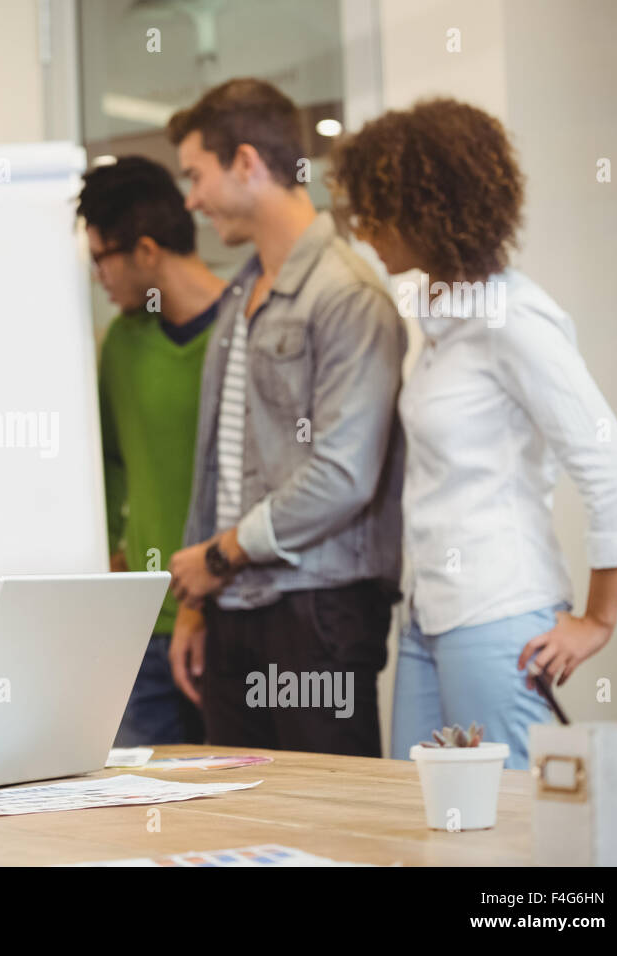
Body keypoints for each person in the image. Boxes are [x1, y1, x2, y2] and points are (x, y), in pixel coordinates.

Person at [329, 98, 617, 768]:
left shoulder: (514, 320)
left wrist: (597, 622)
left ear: (426, 205)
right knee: (425, 826)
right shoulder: (447, 321)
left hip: (498, 612)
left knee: (511, 834)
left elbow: (613, 470)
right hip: (429, 614)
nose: (363, 228)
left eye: (377, 208)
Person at [164, 78, 407, 758]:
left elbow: (343, 474)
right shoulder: (241, 290)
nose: (191, 199)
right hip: (232, 606)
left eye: (196, 176)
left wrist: (220, 555)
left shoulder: (347, 295)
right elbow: (218, 460)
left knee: (328, 831)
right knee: (240, 822)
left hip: (318, 611)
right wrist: (195, 601)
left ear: (247, 163)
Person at [78, 156, 223, 746]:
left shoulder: (241, 333)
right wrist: (107, 550)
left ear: (143, 251)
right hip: (141, 631)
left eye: (99, 258)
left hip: (225, 623)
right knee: (137, 812)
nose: (96, 277)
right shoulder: (124, 343)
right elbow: (109, 464)